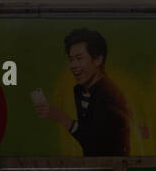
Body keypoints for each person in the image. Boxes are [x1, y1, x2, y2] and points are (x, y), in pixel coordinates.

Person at [33, 28, 132, 157]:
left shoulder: (109, 95)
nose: (73, 65)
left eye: (79, 59)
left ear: (98, 60)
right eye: (71, 59)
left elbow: (95, 143)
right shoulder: (80, 91)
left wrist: (61, 117)